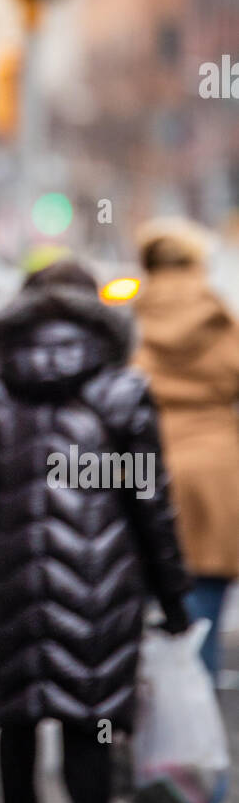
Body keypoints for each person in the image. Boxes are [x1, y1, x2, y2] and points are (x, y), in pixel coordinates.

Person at [0, 259, 191, 803]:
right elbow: (151, 506)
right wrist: (174, 597)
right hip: (102, 595)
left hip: (9, 590)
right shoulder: (125, 392)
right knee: (91, 730)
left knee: (15, 729)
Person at [134, 218, 239, 681]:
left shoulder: (131, 316)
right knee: (206, 606)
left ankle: (142, 724)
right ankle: (198, 728)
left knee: (142, 606)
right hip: (216, 469)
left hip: (144, 466)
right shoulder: (220, 317)